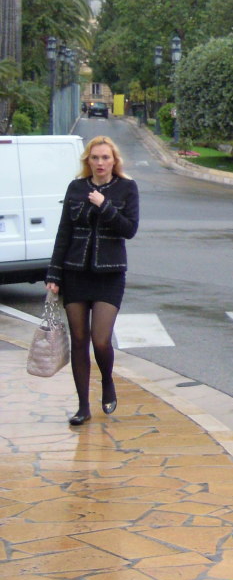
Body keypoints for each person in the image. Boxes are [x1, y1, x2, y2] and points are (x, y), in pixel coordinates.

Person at [45, 136, 140, 426]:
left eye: (105, 158)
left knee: (100, 339)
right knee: (79, 340)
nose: (100, 163)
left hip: (109, 274)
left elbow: (129, 229)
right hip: (75, 272)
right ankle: (83, 406)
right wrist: (54, 273)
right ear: (88, 160)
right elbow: (64, 232)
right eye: (95, 158)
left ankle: (107, 380)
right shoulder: (76, 188)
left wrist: (105, 206)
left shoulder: (127, 188)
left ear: (114, 161)